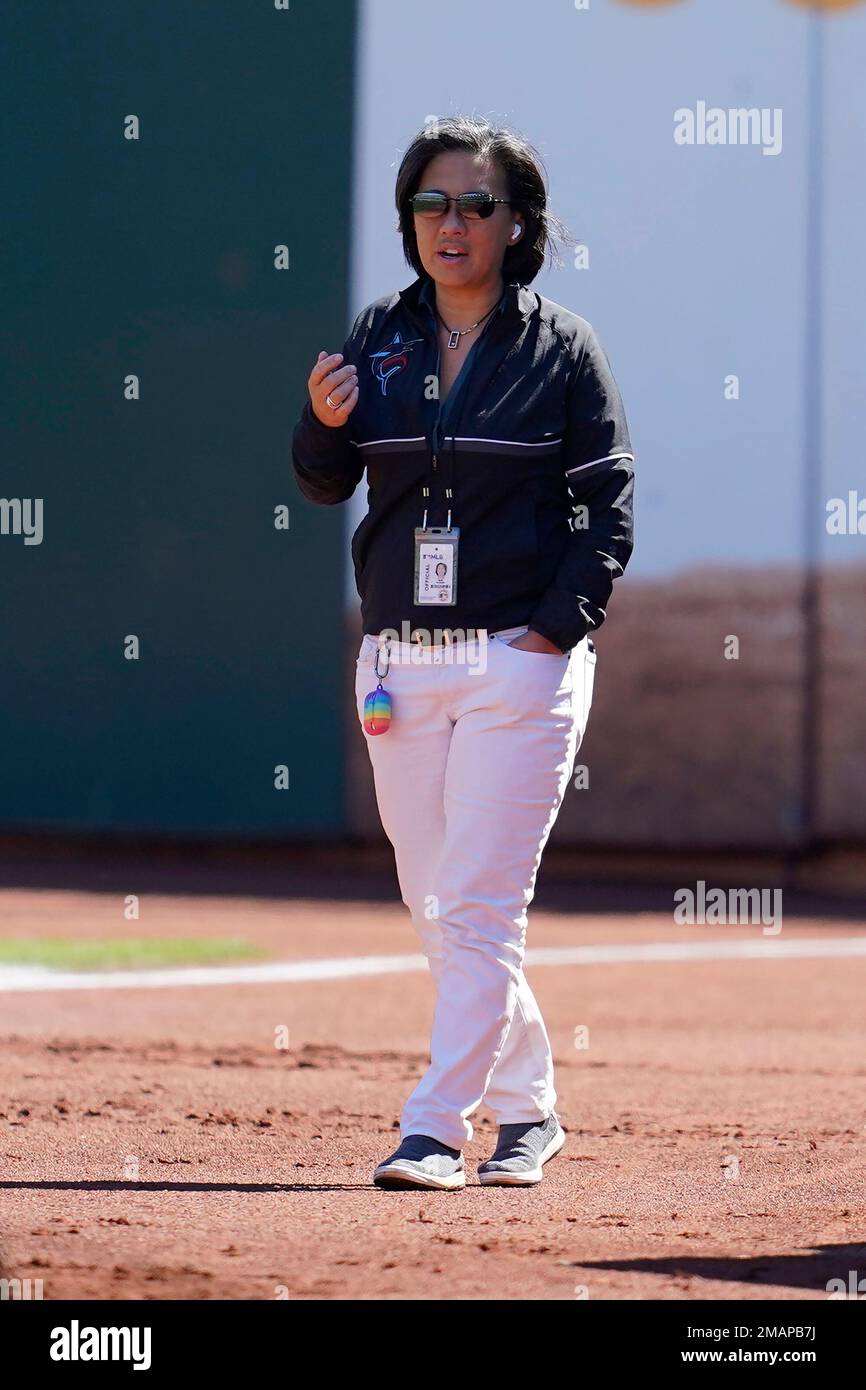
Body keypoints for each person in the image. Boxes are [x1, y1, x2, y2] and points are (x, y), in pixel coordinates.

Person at [291, 116, 635, 1191]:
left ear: (512, 221)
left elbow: (607, 510)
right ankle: (530, 1108)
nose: (449, 223)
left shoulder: (561, 348)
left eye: (471, 205)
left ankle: (435, 1127)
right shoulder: (378, 337)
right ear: (409, 220)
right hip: (399, 660)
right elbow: (322, 481)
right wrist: (317, 422)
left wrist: (548, 635)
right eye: (430, 204)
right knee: (438, 904)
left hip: (513, 661)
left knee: (478, 905)